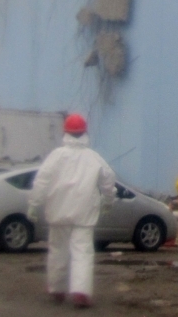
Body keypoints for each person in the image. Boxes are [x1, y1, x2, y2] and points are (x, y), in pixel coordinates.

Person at [27, 114, 116, 309]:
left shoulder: (56, 156)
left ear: (65, 133)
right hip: (84, 214)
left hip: (58, 212)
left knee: (58, 251)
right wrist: (108, 201)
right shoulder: (93, 157)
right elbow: (108, 180)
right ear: (85, 132)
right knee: (82, 252)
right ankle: (81, 292)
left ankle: (57, 289)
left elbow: (41, 180)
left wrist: (34, 204)